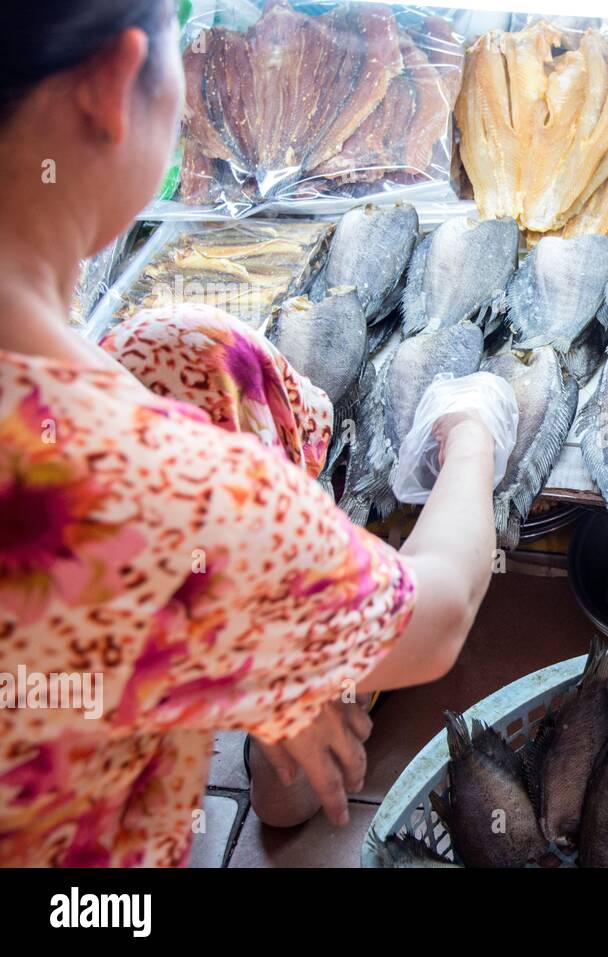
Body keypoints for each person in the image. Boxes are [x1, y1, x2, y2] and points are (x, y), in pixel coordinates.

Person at [0, 1, 515, 865]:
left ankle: (282, 662)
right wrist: (473, 428)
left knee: (199, 351)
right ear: (111, 85)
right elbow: (439, 615)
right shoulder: (162, 493)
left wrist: (270, 659)